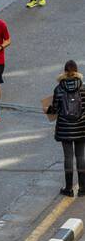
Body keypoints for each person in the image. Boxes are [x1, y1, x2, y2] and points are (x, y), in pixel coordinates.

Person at [44, 59, 85, 197]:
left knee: (68, 157)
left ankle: (68, 188)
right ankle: (82, 188)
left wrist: (47, 109)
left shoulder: (59, 89)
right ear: (77, 71)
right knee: (80, 156)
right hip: (81, 127)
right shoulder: (83, 88)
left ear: (65, 71)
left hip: (65, 128)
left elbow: (54, 110)